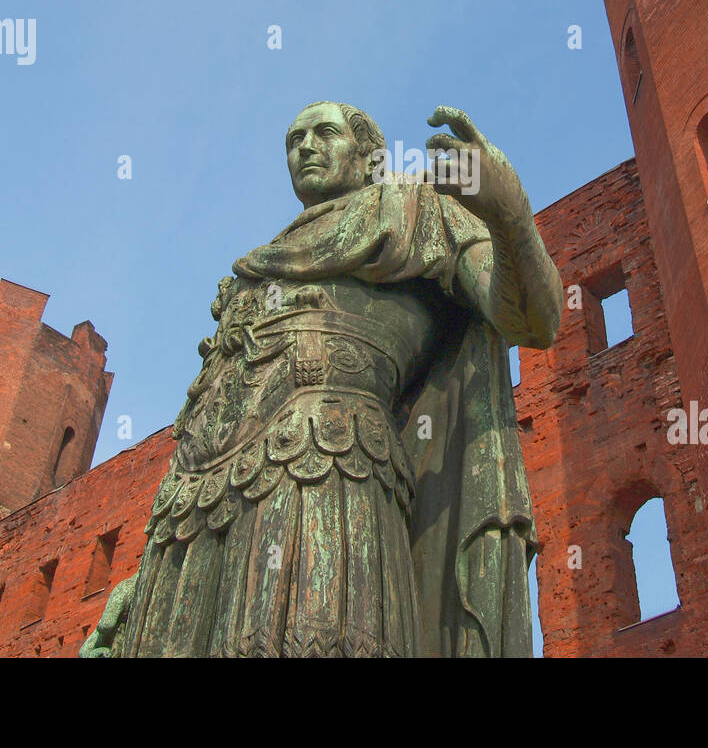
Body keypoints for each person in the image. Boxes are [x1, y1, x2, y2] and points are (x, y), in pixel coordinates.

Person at [82, 101, 561, 657]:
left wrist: (509, 214)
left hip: (330, 464)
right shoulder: (254, 272)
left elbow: (531, 318)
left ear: (368, 157)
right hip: (190, 515)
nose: (304, 147)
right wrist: (142, 583)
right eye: (294, 139)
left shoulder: (415, 211)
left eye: (324, 133)